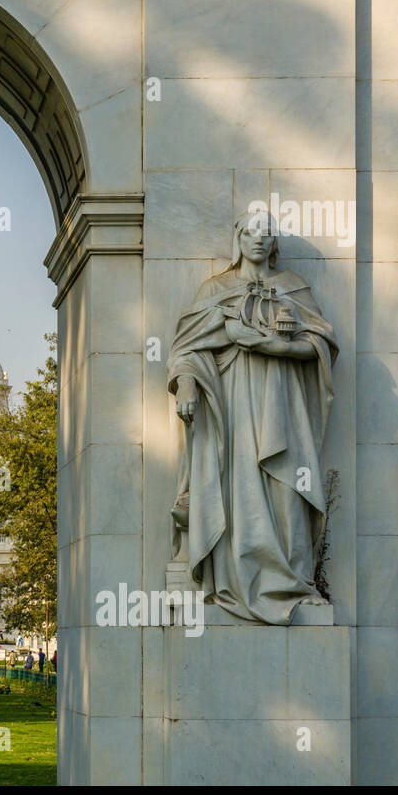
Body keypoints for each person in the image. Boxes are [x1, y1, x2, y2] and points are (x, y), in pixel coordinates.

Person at [168, 210, 337, 623]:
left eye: (267, 233)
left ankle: (294, 583)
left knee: (288, 490)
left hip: (284, 407)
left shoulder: (294, 289)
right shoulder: (217, 289)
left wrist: (275, 347)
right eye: (250, 232)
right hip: (232, 410)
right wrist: (187, 385)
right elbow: (184, 350)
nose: (259, 239)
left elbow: (322, 343)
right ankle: (229, 577)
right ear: (238, 239)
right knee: (237, 490)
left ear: (273, 242)